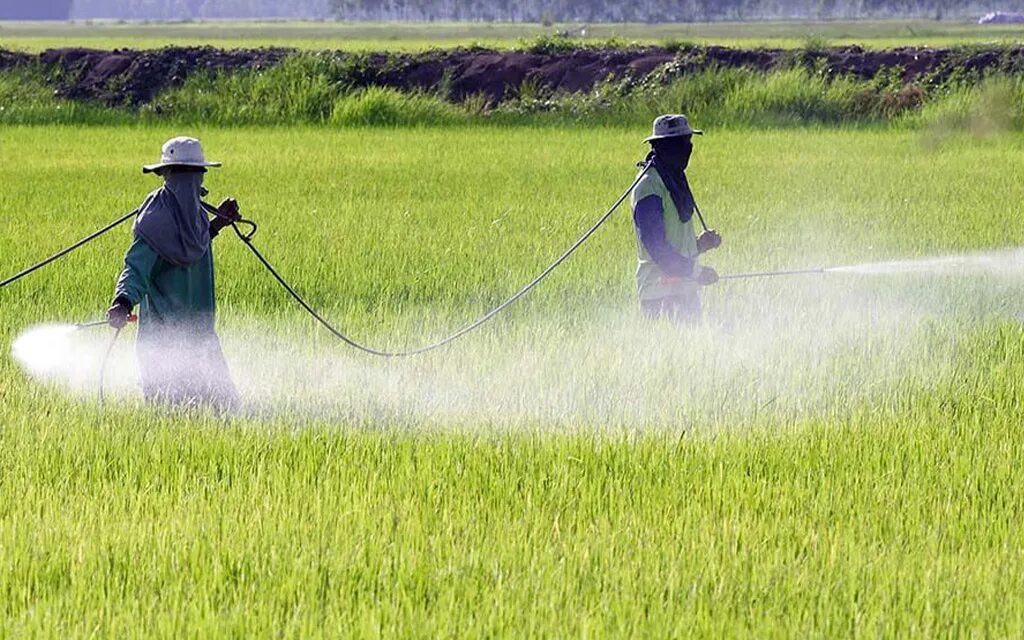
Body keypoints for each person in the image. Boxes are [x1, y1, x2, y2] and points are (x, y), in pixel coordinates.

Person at [107, 136, 242, 410]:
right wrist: (122, 302)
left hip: (201, 334)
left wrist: (218, 223)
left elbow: (191, 247)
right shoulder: (155, 220)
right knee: (171, 410)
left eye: (195, 174)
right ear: (167, 175)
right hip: (163, 340)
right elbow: (136, 267)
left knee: (225, 409)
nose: (192, 181)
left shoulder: (197, 217)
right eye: (186, 174)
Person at [630, 114, 722, 321]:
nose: (688, 149)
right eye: (682, 143)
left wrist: (699, 245)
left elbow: (677, 243)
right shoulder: (649, 186)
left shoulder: (674, 179)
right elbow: (656, 246)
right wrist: (696, 272)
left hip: (685, 291)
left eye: (689, 142)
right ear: (663, 147)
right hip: (660, 294)